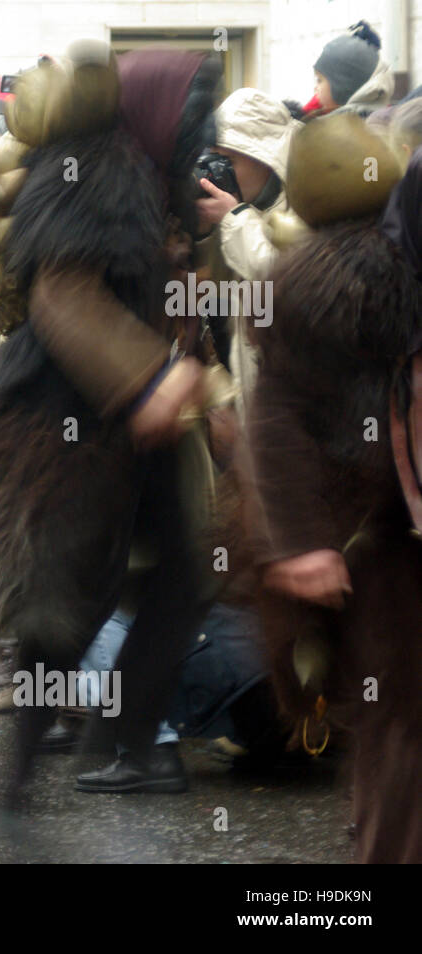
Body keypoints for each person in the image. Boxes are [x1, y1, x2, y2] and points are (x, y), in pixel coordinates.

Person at [0, 44, 221, 803]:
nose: (203, 129)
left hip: (129, 417)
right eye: (194, 112)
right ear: (161, 109)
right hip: (61, 416)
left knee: (186, 569)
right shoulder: (100, 168)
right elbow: (62, 296)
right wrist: (149, 380)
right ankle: (25, 776)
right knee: (64, 605)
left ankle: (125, 741)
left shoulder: (157, 177)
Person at [247, 114, 421, 862]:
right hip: (378, 541)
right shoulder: (340, 289)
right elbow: (276, 414)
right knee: (403, 723)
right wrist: (303, 542)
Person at [193, 87, 298, 407]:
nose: (216, 170)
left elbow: (281, 282)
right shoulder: (244, 209)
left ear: (265, 157)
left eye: (227, 160)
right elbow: (205, 293)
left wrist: (234, 220)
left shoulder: (305, 204)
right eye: (211, 156)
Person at [309, 20, 392, 117]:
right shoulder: (378, 118)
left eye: (319, 80)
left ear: (343, 87)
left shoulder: (342, 129)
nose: (315, 88)